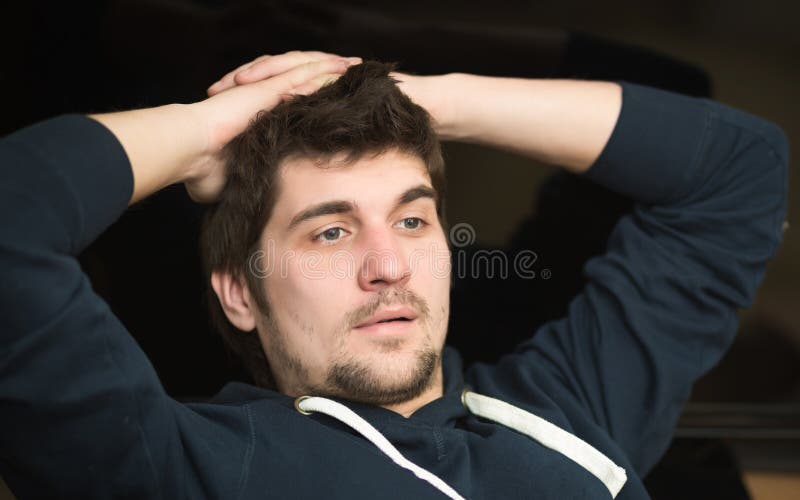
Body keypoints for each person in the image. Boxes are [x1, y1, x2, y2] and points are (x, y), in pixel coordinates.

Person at [0, 50, 787, 499]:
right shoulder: (181, 467)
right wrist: (211, 130)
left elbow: (740, 170)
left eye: (412, 220)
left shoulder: (569, 412)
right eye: (332, 231)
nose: (388, 267)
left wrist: (416, 99)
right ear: (240, 291)